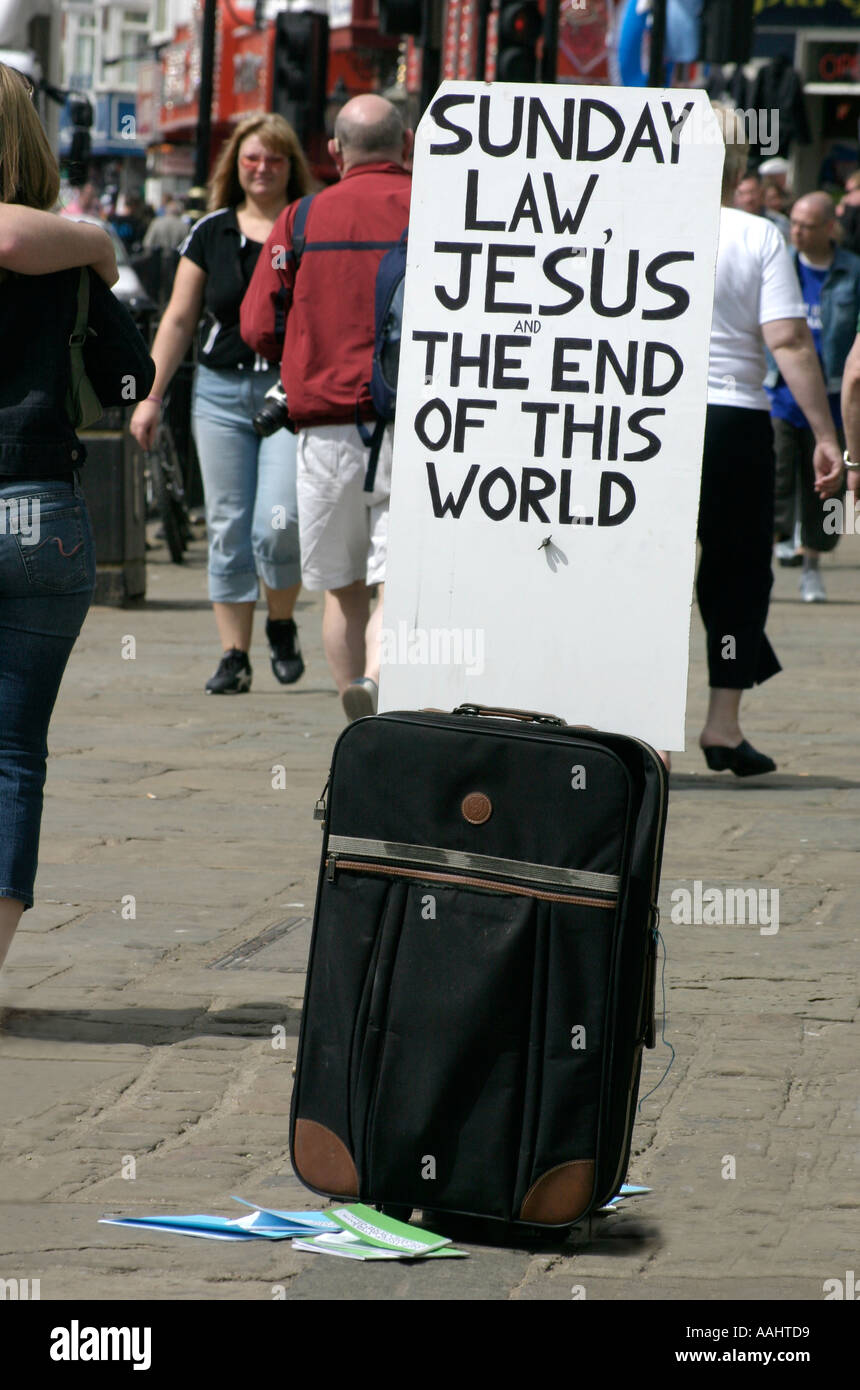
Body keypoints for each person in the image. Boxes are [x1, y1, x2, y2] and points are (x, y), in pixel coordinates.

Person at [0, 64, 119, 970]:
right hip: (44, 508)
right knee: (12, 753)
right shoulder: (75, 264)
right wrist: (94, 245)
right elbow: (132, 380)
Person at [241, 94, 412, 720]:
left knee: (341, 589)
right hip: (419, 429)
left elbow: (259, 326)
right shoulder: (439, 210)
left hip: (324, 426)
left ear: (336, 152)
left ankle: (358, 723)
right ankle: (377, 676)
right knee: (398, 580)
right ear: (409, 143)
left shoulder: (301, 220)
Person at [130, 114, 312, 694]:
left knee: (279, 523)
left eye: (276, 159)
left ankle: (280, 623)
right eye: (252, 158)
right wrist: (151, 396)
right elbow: (178, 317)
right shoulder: (210, 230)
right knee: (229, 523)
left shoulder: (308, 224)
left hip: (289, 393)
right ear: (235, 164)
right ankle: (234, 654)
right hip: (219, 391)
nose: (262, 169)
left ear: (292, 167)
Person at [697, 107, 844, 777]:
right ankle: (722, 724)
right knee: (736, 572)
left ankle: (640, 731)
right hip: (732, 421)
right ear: (738, 167)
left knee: (645, 573)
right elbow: (787, 339)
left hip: (647, 422)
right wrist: (824, 433)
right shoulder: (758, 235)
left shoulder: (634, 228)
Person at [765, 192, 860, 600]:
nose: (797, 232)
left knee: (826, 488)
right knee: (778, 474)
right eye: (794, 223)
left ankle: (812, 564)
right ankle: (782, 540)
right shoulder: (779, 264)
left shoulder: (852, 271)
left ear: (829, 228)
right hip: (782, 394)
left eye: (806, 225)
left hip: (836, 397)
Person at [734, 170, 790, 240]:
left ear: (761, 192)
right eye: (742, 193)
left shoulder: (779, 222)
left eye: (752, 192)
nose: (748, 199)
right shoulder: (730, 223)